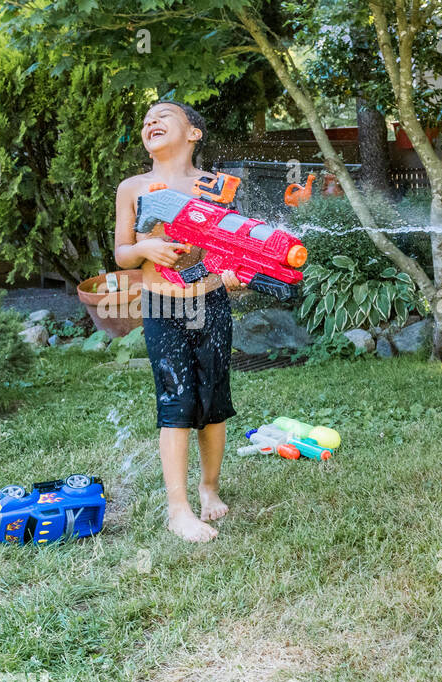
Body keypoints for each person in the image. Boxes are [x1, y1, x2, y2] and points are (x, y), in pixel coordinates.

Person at [114, 101, 246, 543]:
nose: (150, 121)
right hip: (162, 307)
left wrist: (233, 273)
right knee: (175, 399)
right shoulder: (132, 188)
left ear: (194, 133)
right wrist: (145, 250)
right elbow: (121, 252)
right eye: (146, 118)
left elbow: (234, 248)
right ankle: (178, 509)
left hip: (210, 303)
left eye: (163, 116)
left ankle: (209, 489)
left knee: (212, 397)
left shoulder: (214, 187)